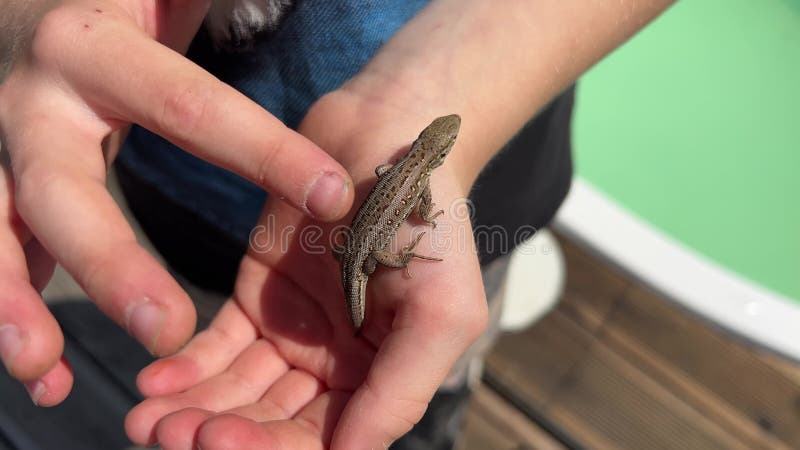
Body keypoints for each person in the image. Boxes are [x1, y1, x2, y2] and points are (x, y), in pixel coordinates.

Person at [0, 1, 674, 449]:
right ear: (431, 151)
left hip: (433, 206)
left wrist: (416, 103)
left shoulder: (407, 163)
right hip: (197, 201)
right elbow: (413, 204)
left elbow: (394, 184)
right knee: (259, 328)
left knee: (417, 361)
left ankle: (433, 409)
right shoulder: (416, 175)